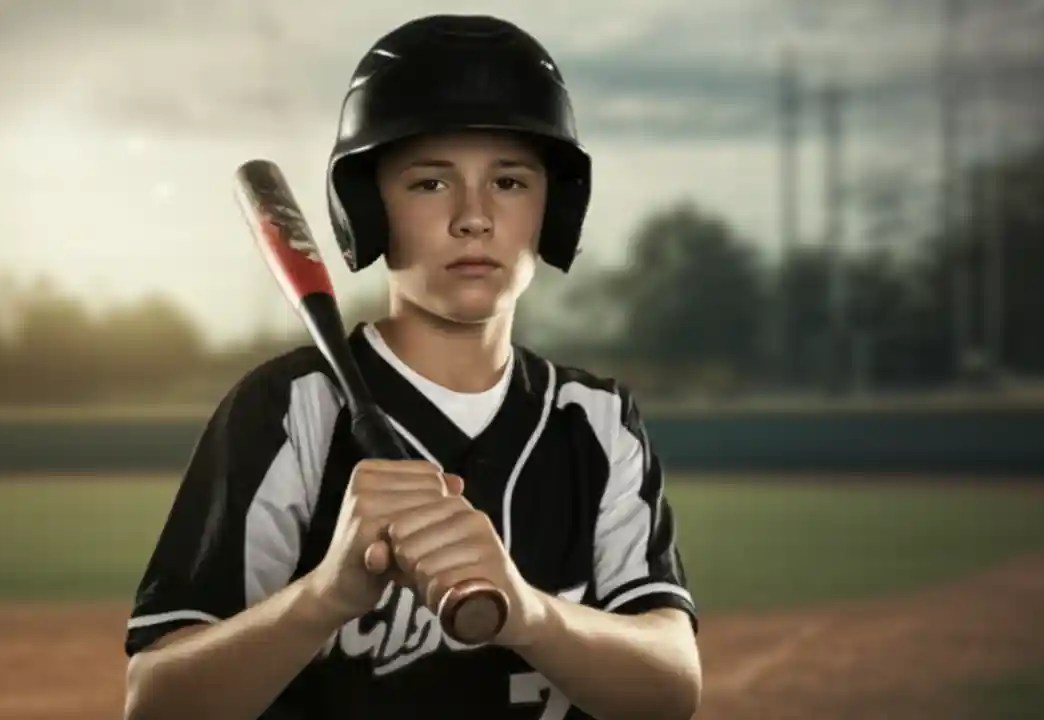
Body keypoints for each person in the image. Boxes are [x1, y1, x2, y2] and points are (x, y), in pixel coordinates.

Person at [123, 14, 701, 720]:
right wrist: (324, 596)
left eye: (510, 182)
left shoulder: (598, 421)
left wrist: (529, 615)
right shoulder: (292, 411)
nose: (474, 217)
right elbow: (155, 701)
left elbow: (672, 688)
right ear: (368, 210)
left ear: (552, 209)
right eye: (430, 183)